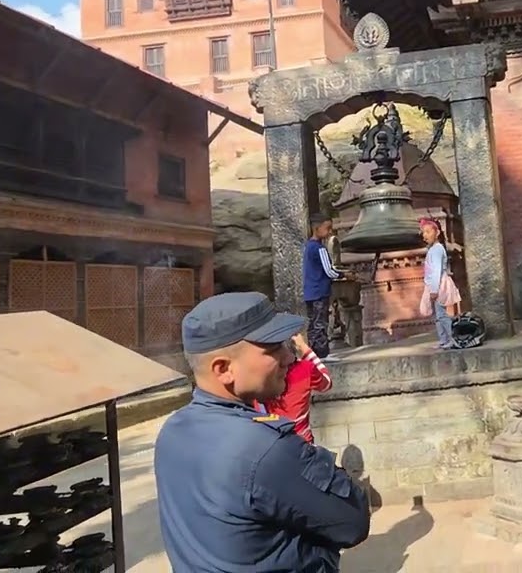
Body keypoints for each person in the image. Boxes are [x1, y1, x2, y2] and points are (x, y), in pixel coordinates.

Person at [154, 291, 370, 572]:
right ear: (224, 369)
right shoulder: (263, 448)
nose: (288, 358)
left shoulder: (173, 431)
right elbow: (353, 521)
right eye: (272, 348)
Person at [258, 331, 333, 444]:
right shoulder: (305, 369)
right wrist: (304, 348)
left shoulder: (260, 376)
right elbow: (326, 384)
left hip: (271, 442)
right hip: (302, 440)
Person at [304, 213, 344, 358]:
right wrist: (343, 275)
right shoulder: (319, 248)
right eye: (327, 228)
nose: (330, 232)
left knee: (313, 325)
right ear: (317, 228)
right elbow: (329, 271)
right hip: (320, 292)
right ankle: (322, 354)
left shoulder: (307, 247)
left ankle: (314, 354)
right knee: (321, 324)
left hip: (309, 292)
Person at [419, 217, 461, 349]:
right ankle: (444, 340)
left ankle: (454, 338)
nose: (425, 235)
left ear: (437, 233)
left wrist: (434, 290)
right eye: (423, 232)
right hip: (433, 285)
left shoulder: (437, 249)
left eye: (428, 232)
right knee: (438, 315)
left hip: (438, 285)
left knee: (441, 315)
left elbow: (436, 271)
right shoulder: (432, 249)